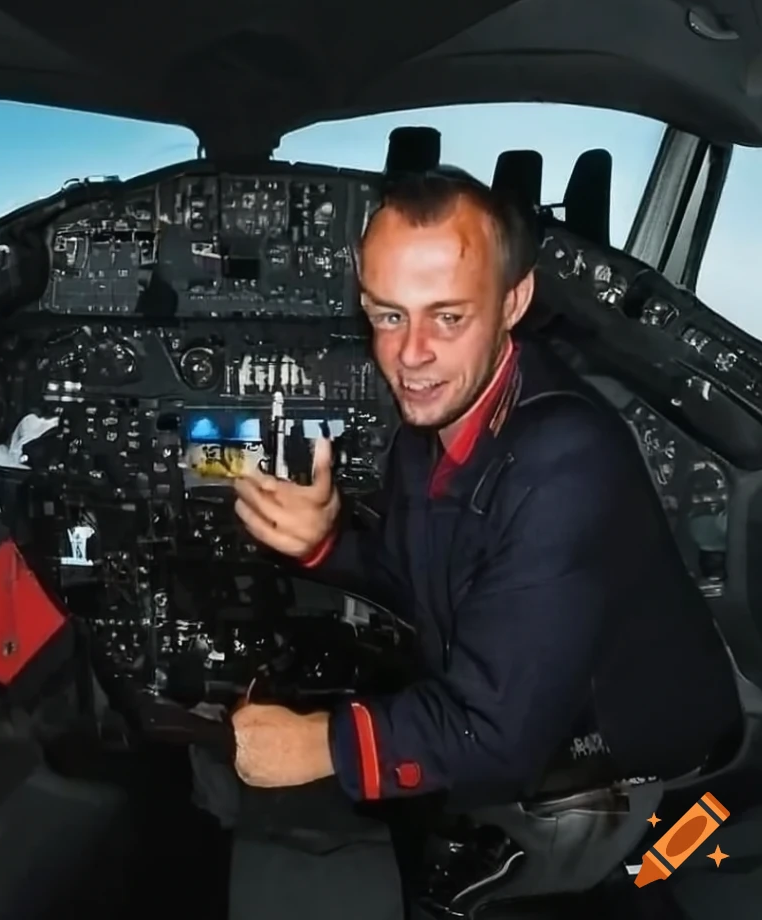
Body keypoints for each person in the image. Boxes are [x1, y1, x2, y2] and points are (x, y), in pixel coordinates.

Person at [226, 167, 744, 916]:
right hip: (530, 741)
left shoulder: (563, 462)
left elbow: (494, 733)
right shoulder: (431, 428)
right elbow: (422, 581)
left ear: (514, 302)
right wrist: (324, 543)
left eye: (447, 317)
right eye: (388, 315)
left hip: (634, 795)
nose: (410, 356)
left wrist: (316, 747)